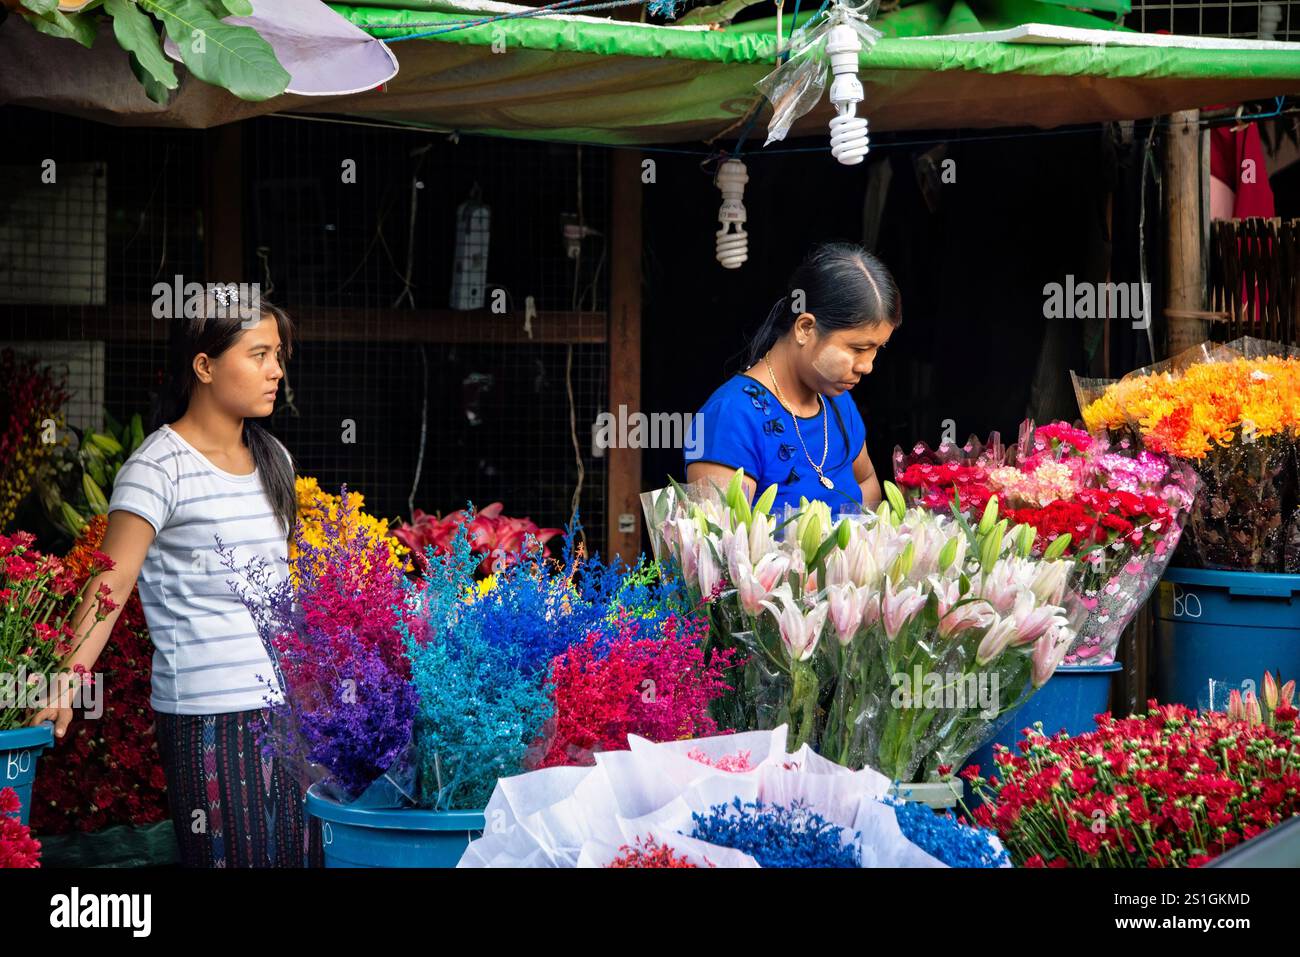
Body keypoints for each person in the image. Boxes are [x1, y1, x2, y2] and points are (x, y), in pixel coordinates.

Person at [30, 294, 320, 868]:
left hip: (284, 708)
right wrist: (65, 681)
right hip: (207, 713)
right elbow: (109, 587)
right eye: (259, 354)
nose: (276, 371)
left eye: (279, 355)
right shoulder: (157, 467)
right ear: (204, 366)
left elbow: (284, 591)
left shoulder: (274, 459)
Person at [686, 242, 901, 515]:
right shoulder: (730, 418)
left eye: (877, 349)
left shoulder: (838, 404)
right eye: (857, 349)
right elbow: (719, 546)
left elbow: (865, 479)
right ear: (805, 328)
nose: (867, 366)